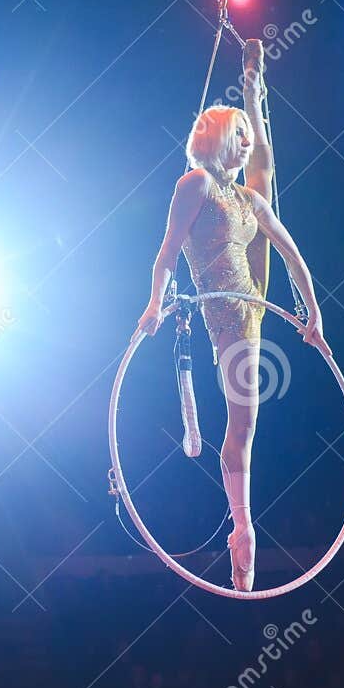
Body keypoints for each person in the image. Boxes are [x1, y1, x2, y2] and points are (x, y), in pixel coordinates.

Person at [137, 38, 326, 591]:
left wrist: (313, 315)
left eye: (247, 136)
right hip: (225, 314)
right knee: (242, 424)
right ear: (221, 139)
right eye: (240, 137)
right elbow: (169, 250)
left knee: (267, 177)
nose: (244, 147)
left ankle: (253, 85)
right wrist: (154, 302)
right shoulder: (193, 184)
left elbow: (293, 254)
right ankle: (244, 529)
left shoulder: (248, 199)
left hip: (255, 293)